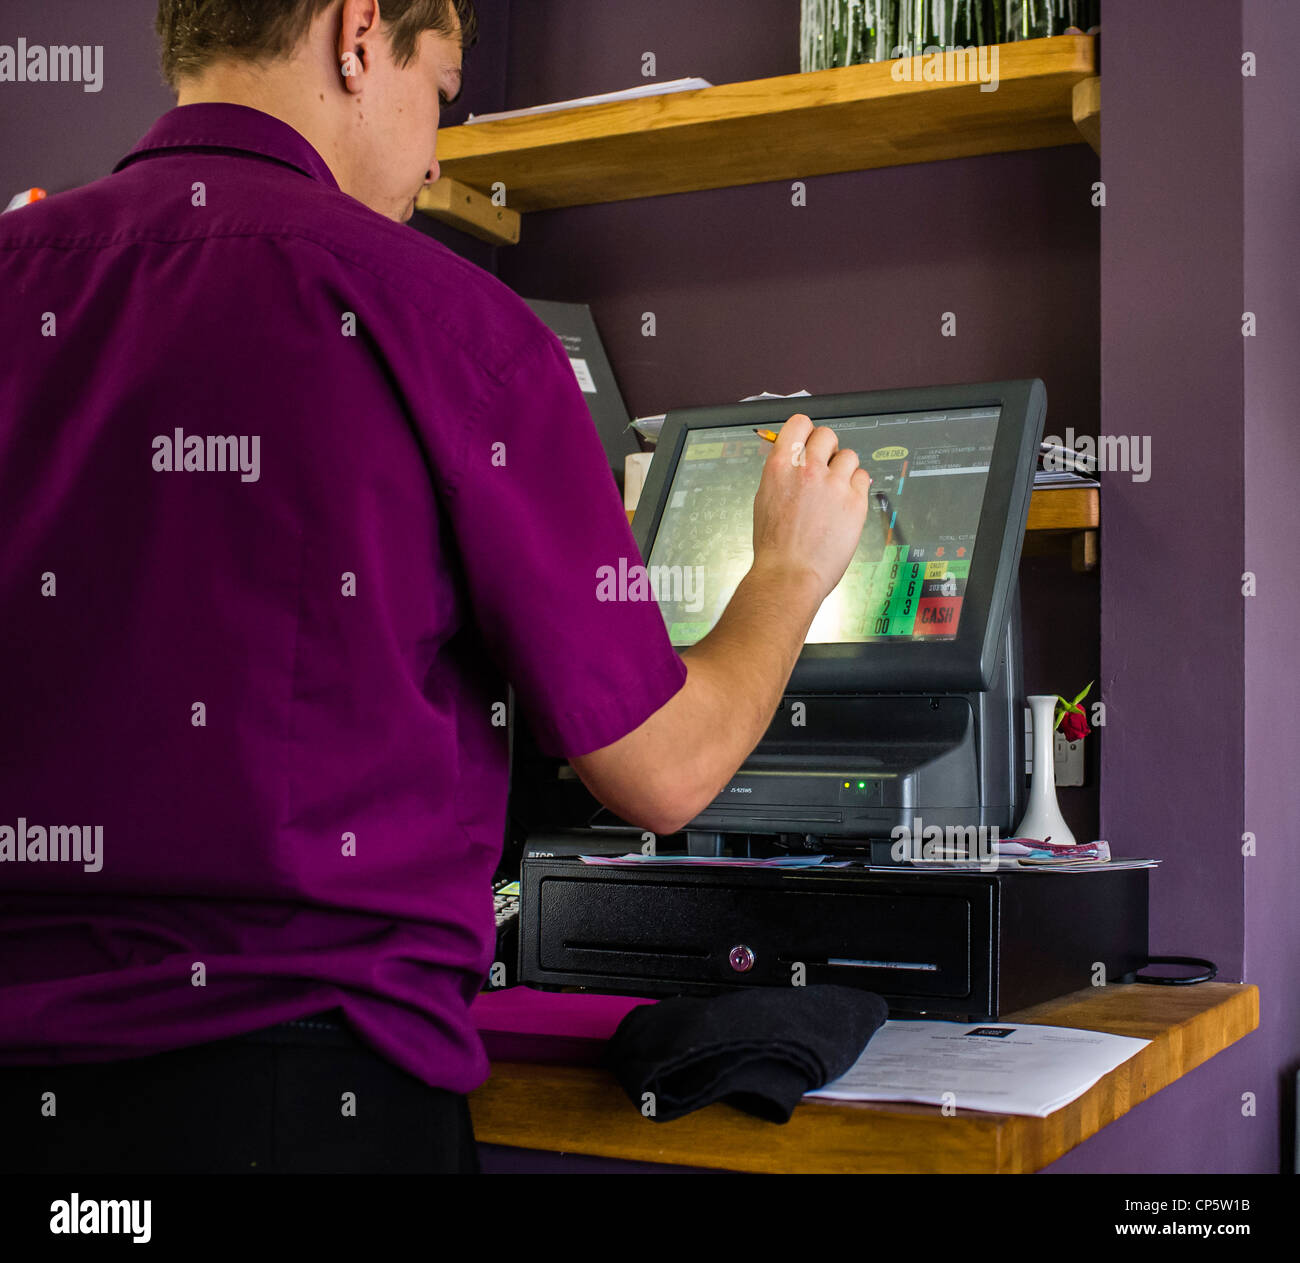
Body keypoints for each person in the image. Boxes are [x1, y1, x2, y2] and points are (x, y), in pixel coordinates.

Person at [0, 0, 870, 1174]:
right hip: (300, 1101)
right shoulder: (449, 325)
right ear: (358, 35)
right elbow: (662, 771)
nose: (435, 154)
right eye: (443, 91)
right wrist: (788, 572)